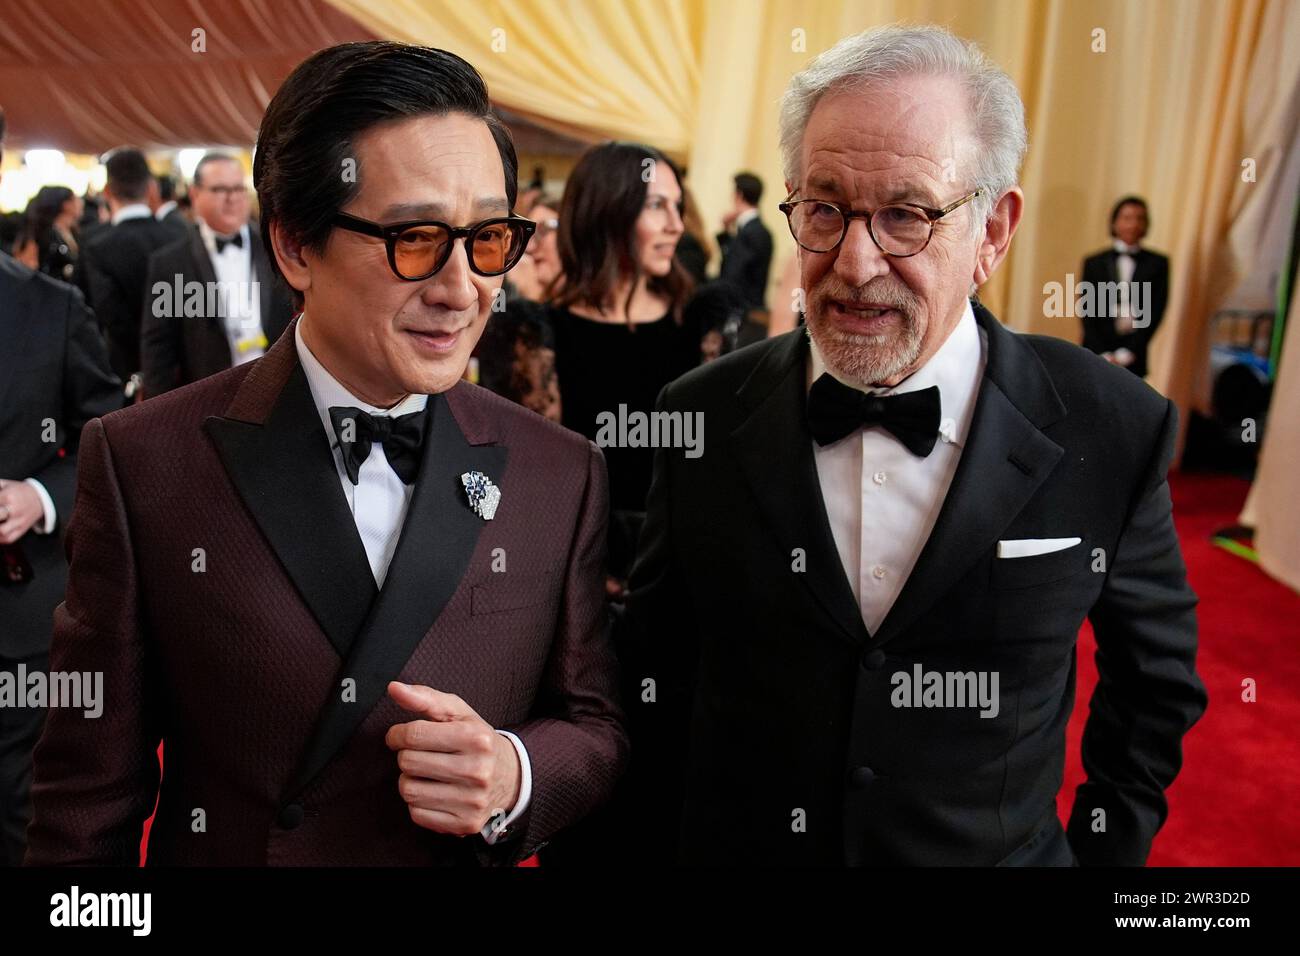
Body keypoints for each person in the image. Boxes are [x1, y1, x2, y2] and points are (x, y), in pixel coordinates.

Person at [25, 40, 627, 866]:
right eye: (415, 237)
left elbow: (595, 724)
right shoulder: (146, 463)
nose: (461, 288)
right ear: (295, 245)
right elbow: (83, 807)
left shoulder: (558, 471)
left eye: (488, 238)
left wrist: (514, 774)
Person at [622, 24, 1206, 866]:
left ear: (994, 233)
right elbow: (654, 677)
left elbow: (1154, 691)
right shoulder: (700, 416)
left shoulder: (1109, 426)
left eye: (906, 215)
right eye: (824, 210)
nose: (856, 263)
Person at [0, 106, 122, 866]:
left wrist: (38, 497)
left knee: (16, 815)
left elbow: (107, 445)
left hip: (13, 626)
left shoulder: (50, 308)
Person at [547, 141, 700, 590]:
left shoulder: (696, 325)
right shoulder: (544, 333)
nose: (676, 225)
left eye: (678, 206)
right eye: (657, 206)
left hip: (675, 574)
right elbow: (535, 479)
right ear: (608, 210)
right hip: (575, 574)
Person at [139, 151, 294, 397]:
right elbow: (158, 348)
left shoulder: (277, 249)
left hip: (277, 392)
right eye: (221, 190)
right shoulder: (170, 262)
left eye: (238, 189)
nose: (232, 199)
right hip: (207, 397)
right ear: (195, 194)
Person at [80, 147, 183, 388]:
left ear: (106, 191)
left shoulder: (96, 245)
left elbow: (106, 314)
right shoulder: (179, 235)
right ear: (151, 188)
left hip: (124, 370)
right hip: (179, 369)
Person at [1079, 196, 1170, 378]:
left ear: (1146, 224)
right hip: (1096, 352)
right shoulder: (1094, 263)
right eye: (1127, 218)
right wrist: (1103, 353)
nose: (1133, 225)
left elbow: (1156, 311)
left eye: (1139, 218)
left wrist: (1128, 352)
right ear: (1115, 223)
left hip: (1134, 354)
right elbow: (1087, 310)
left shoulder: (1158, 263)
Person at [715, 170, 773, 311]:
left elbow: (732, 274)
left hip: (742, 311)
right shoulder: (754, 230)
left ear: (738, 195)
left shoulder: (752, 232)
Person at [25, 186, 80, 284]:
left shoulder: (73, 231)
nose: (80, 203)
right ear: (65, 205)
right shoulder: (46, 236)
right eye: (75, 199)